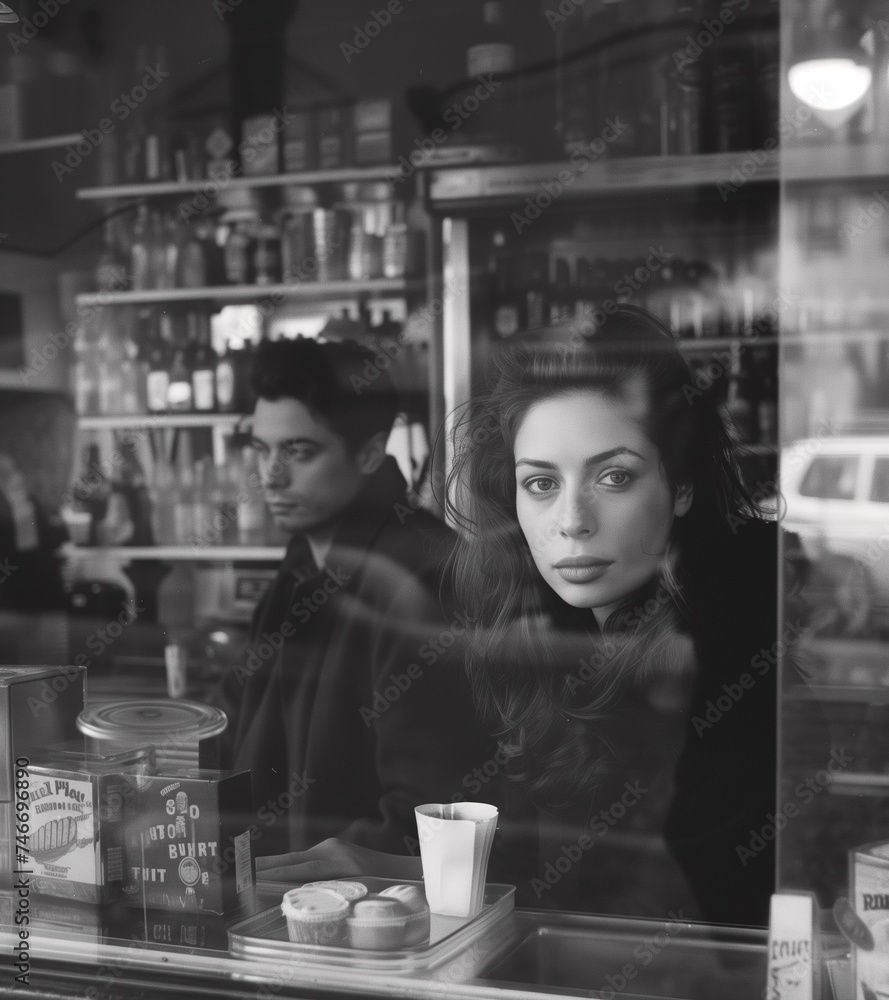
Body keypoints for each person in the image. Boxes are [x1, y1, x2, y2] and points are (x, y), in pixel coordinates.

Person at [443, 304, 796, 926]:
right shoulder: (543, 636)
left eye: (613, 476)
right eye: (541, 484)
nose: (572, 520)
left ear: (680, 484)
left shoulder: (729, 658)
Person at [211, 337, 497, 861]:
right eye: (261, 449)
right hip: (290, 908)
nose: (270, 475)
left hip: (381, 920)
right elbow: (233, 726)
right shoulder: (302, 564)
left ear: (368, 453)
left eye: (299, 452)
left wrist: (283, 875)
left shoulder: (422, 573)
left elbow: (432, 814)